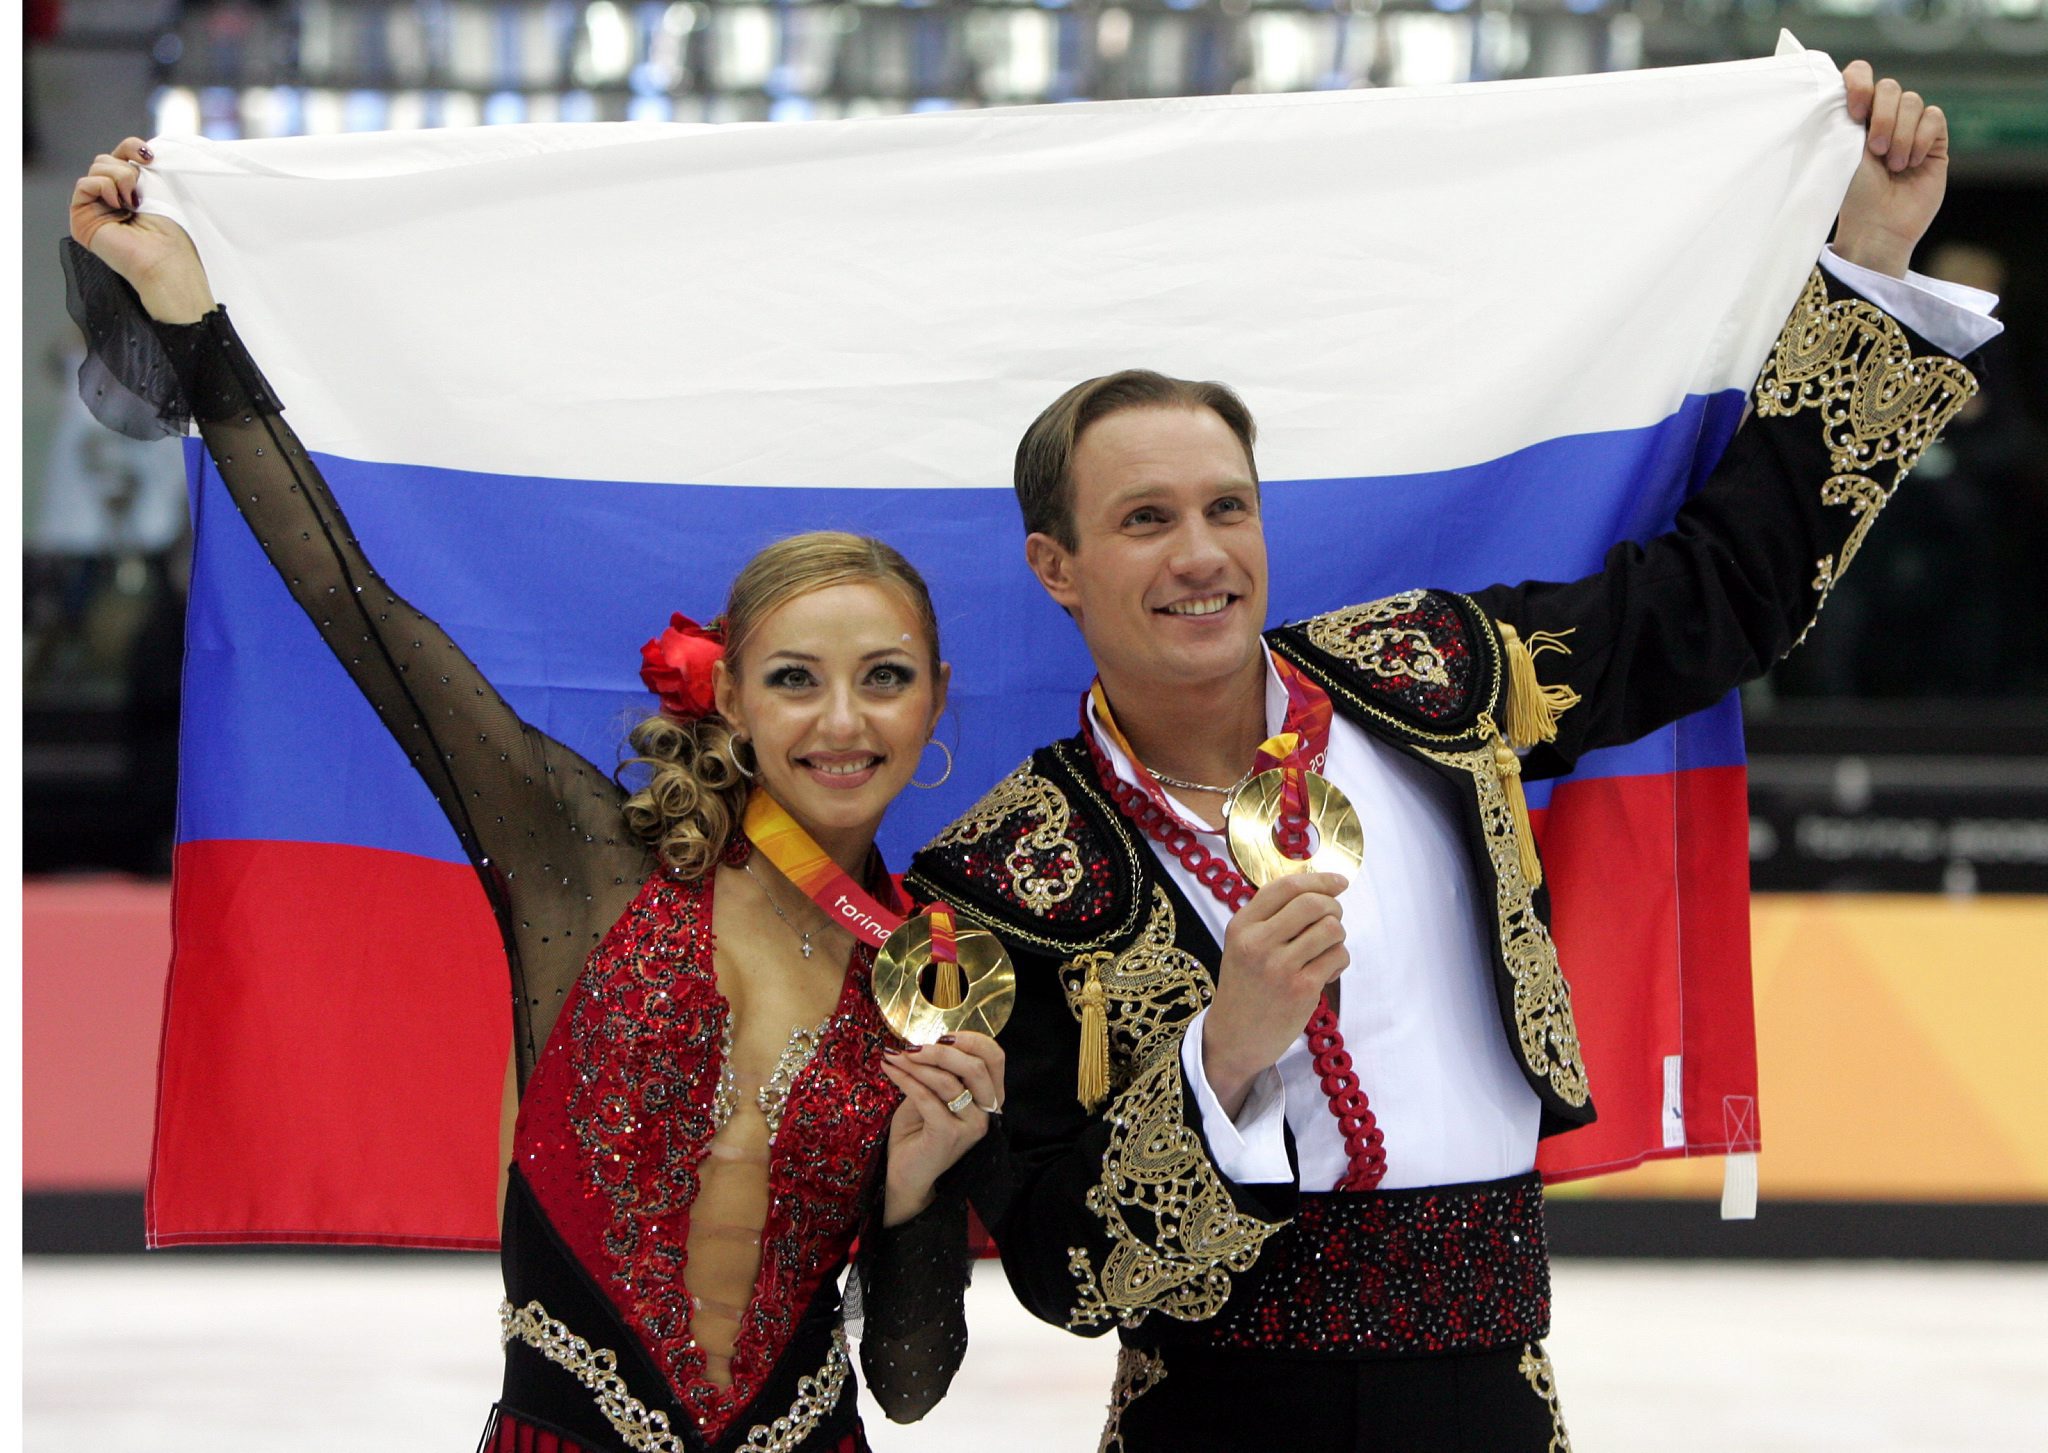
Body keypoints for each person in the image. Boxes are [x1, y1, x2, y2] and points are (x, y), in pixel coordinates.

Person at [904, 61, 2002, 1450]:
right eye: (1144, 519)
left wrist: (1871, 268)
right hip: (1214, 1411)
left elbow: (1725, 594)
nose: (1200, 554)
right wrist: (1223, 1058)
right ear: (1053, 565)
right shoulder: (1003, 872)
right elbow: (1063, 1270)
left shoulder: (1429, 677)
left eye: (1227, 506)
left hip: (1488, 1388)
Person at [68, 139, 1007, 1453]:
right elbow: (365, 615)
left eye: (885, 677)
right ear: (728, 694)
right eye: (797, 677)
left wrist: (916, 1192)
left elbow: (907, 1381)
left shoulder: (938, 966)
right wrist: (187, 308)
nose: (843, 721)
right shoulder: (591, 858)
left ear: (935, 699)